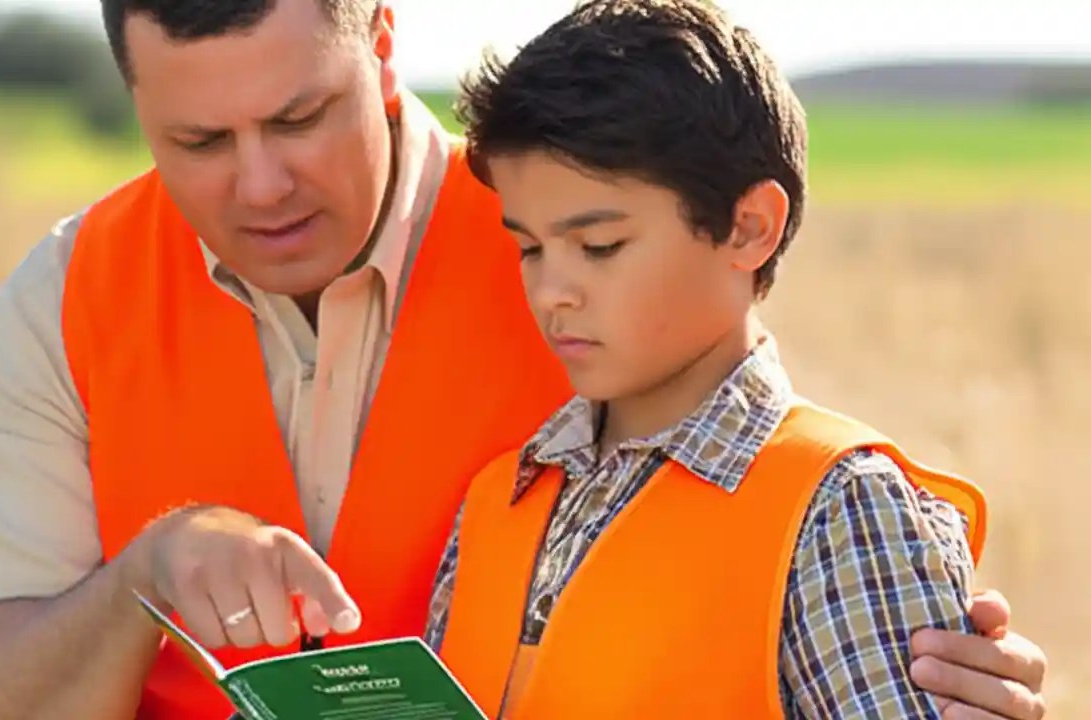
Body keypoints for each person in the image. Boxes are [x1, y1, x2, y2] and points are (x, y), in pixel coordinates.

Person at [0, 1, 1048, 718]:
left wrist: (900, 618)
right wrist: (144, 578)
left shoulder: (584, 225)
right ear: (132, 101)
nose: (258, 184)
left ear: (381, 39)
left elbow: (759, 507)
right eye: (199, 142)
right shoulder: (71, 294)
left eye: (301, 117)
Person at [421, 2, 1047, 718]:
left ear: (750, 228)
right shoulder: (499, 502)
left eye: (599, 247)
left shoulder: (839, 511)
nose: (551, 292)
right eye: (530, 248)